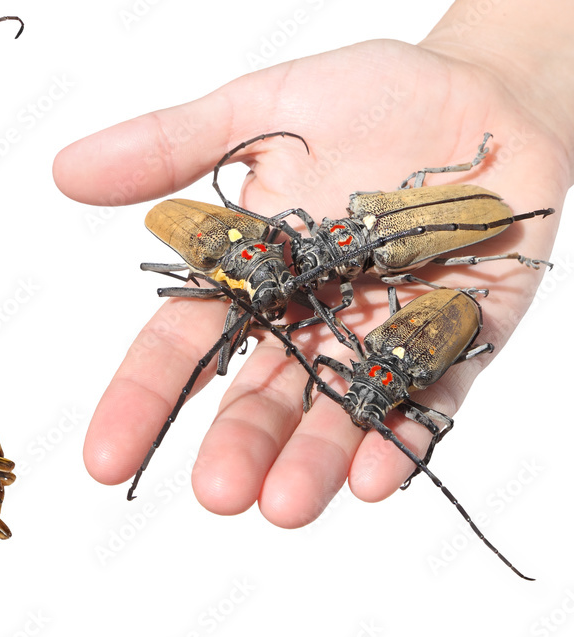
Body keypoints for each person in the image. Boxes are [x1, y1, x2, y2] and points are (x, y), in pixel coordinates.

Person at [52, 0, 572, 528]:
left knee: (421, 253)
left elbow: (345, 295)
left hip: (444, 229)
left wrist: (508, 66)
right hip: (399, 255)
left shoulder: (367, 259)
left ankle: (505, 244)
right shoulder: (333, 240)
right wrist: (506, 61)